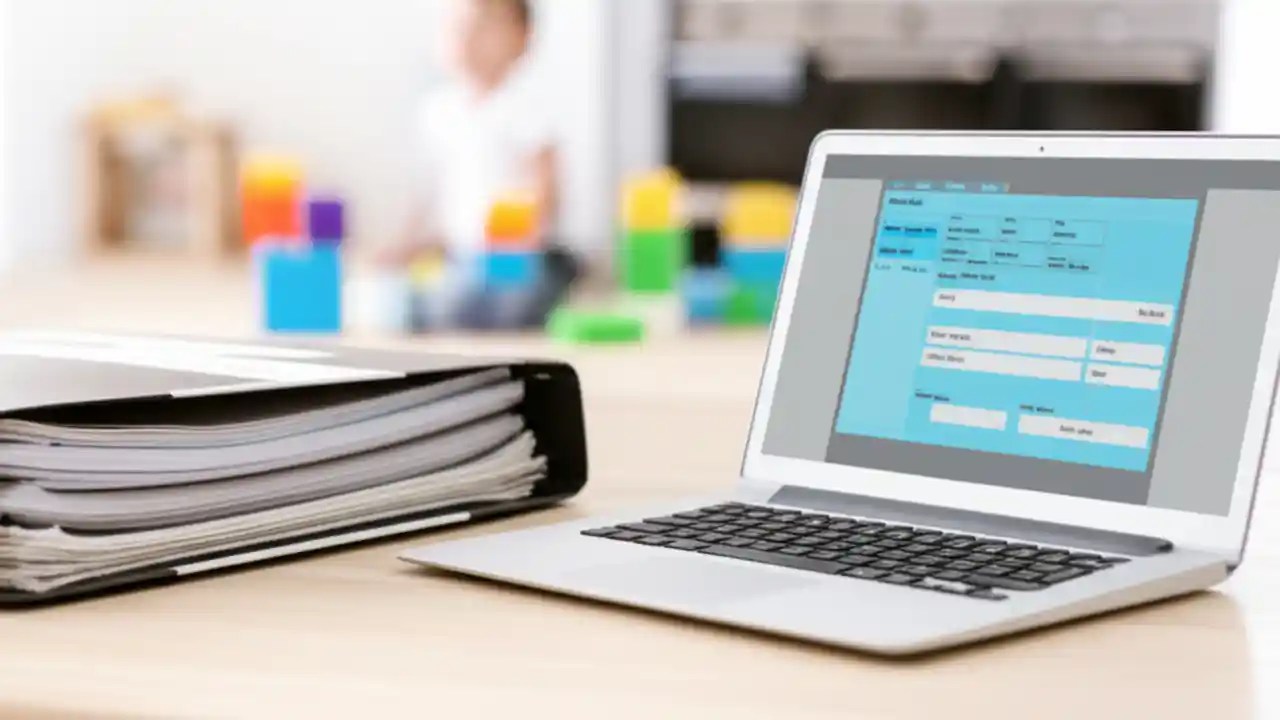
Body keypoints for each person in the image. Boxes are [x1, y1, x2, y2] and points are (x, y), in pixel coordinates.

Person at [397, 0, 558, 264]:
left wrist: (526, 234)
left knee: (519, 293)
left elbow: (545, 184)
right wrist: (406, 245)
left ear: (522, 38)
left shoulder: (522, 106)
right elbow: (427, 192)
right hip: (456, 253)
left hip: (510, 252)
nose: (469, 36)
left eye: (483, 26)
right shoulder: (438, 110)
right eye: (458, 25)